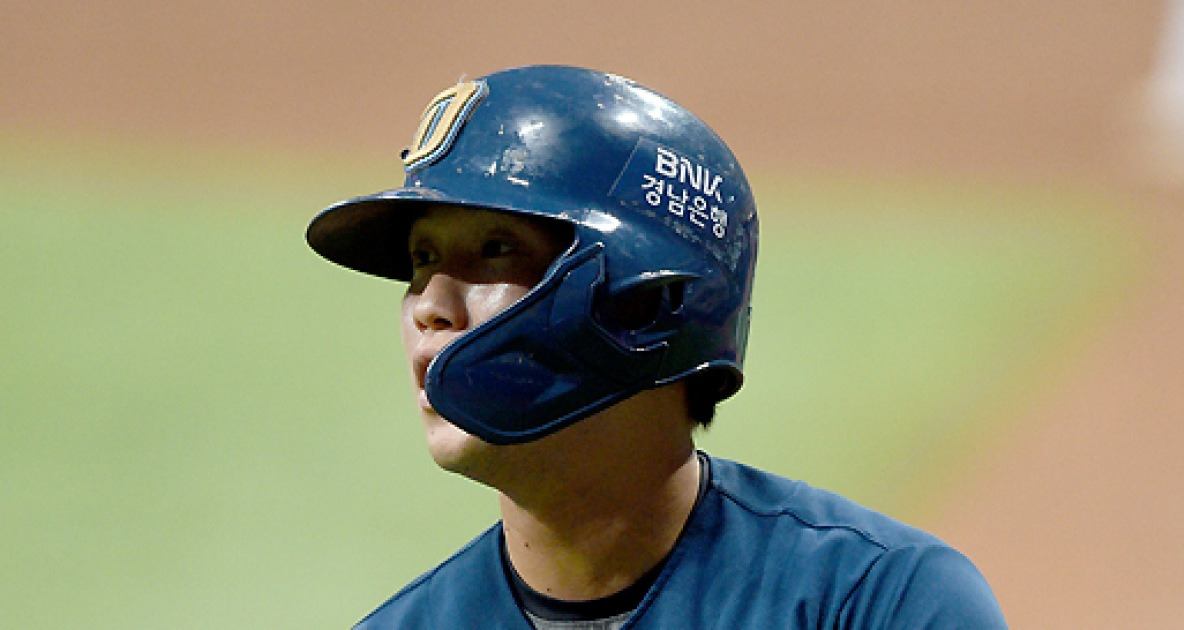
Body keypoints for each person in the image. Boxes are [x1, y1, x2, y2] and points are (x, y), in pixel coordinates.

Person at [306, 64, 1007, 629]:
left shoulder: (878, 604)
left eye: (494, 251)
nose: (429, 305)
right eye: (422, 260)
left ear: (644, 304)